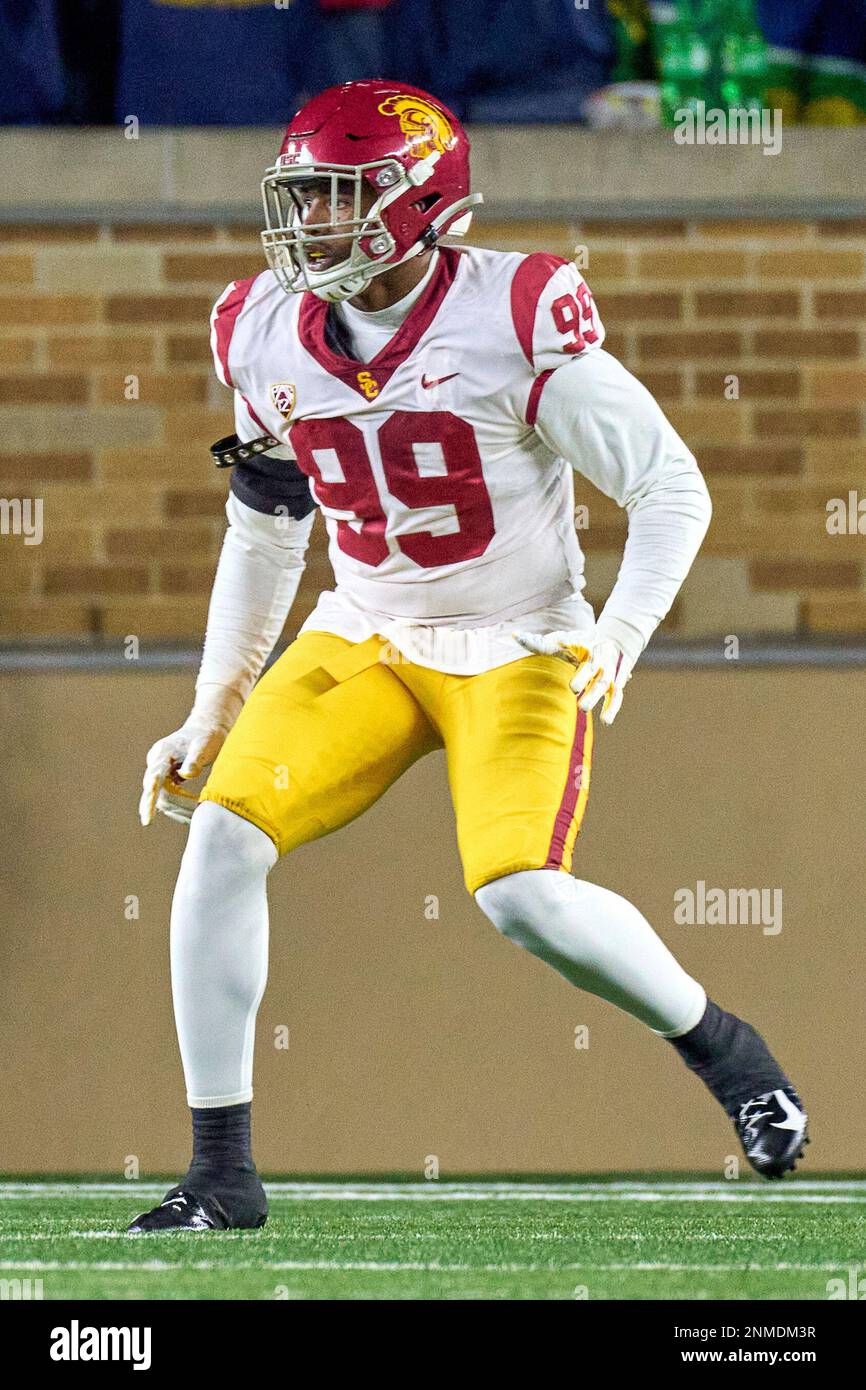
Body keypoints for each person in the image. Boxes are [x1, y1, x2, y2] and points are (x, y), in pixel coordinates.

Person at [130, 80, 807, 1233]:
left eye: (340, 201)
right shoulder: (256, 328)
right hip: (368, 632)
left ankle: (727, 1052)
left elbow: (668, 485)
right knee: (221, 839)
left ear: (418, 204)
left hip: (515, 642)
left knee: (519, 895)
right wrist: (214, 704)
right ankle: (221, 1172)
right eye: (302, 198)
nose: (311, 226)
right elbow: (266, 522)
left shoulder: (514, 310)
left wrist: (622, 632)